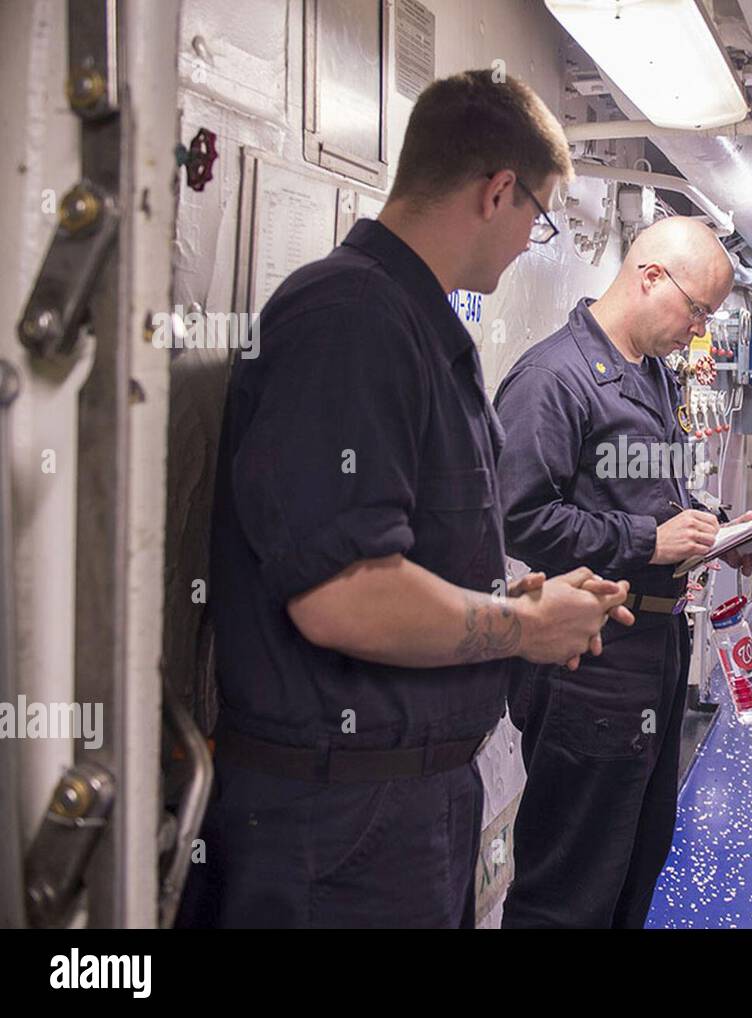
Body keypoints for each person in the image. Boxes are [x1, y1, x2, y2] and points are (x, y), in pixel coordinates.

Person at [178, 70, 631, 930]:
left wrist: (520, 595)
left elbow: (410, 556)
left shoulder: (412, 327)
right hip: (338, 830)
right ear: (500, 190)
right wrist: (525, 629)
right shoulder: (350, 319)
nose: (530, 239)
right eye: (538, 219)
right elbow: (345, 596)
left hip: (395, 810)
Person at [494, 216, 752, 928]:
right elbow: (519, 518)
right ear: (650, 277)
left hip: (655, 650)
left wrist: (717, 533)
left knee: (633, 861)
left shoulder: (649, 378)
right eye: (697, 311)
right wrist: (648, 541)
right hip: (590, 659)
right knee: (570, 883)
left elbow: (658, 499)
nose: (699, 331)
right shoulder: (554, 378)